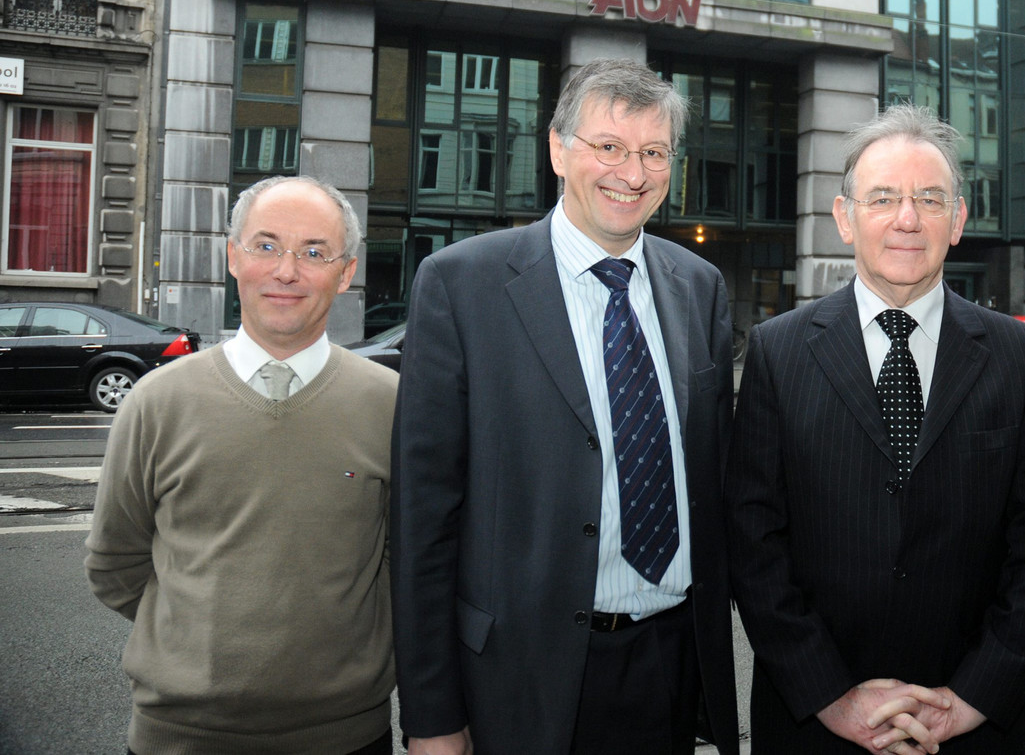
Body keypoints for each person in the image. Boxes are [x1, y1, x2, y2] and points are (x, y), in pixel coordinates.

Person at [390, 58, 738, 755]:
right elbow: (421, 520)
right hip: (521, 678)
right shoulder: (462, 286)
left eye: (652, 153)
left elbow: (717, 483)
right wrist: (431, 715)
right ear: (557, 148)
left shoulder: (699, 287)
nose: (630, 173)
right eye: (608, 147)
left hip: (671, 665)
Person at [726, 103, 1025, 755]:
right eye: (882, 197)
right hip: (813, 722)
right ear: (844, 217)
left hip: (968, 724)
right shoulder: (778, 352)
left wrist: (974, 697)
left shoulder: (1021, 356)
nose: (907, 219)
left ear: (959, 220)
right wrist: (831, 696)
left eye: (929, 199)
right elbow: (753, 545)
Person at [85, 176, 400, 754]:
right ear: (233, 257)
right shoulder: (157, 401)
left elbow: (407, 568)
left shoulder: (393, 405)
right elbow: (115, 563)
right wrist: (193, 645)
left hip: (348, 737)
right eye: (266, 245)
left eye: (313, 252)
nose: (287, 271)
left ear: (346, 272)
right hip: (178, 739)